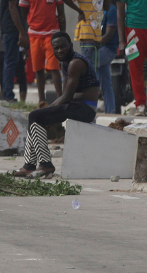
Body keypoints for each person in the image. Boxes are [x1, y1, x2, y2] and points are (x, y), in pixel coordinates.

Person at [13, 32, 101, 179]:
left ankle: (45, 164)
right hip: (75, 106)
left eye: (63, 47)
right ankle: (29, 166)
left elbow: (66, 96)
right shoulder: (65, 63)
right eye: (57, 48)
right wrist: (48, 110)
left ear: (71, 46)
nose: (60, 50)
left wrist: (48, 110)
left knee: (36, 116)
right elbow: (64, 96)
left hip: (85, 109)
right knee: (35, 117)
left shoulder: (75, 63)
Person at [16, 0, 83, 105]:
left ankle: (60, 98)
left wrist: (62, 35)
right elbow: (24, 14)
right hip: (34, 35)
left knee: (53, 68)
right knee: (38, 69)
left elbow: (61, 14)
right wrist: (24, 33)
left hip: (52, 36)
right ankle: (42, 100)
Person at [64, 0, 106, 83]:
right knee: (89, 67)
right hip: (87, 32)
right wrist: (79, 11)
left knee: (96, 68)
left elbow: (107, 6)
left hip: (97, 33)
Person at [0, 0, 25, 102]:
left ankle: (7, 94)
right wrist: (21, 31)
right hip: (11, 27)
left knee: (10, 61)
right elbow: (13, 7)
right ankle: (8, 95)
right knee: (10, 61)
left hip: (7, 26)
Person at [97, 0, 118, 113]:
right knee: (106, 83)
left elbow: (109, 34)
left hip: (107, 49)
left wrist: (93, 43)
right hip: (100, 48)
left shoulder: (111, 10)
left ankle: (89, 106)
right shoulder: (97, 7)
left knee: (84, 68)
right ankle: (110, 112)